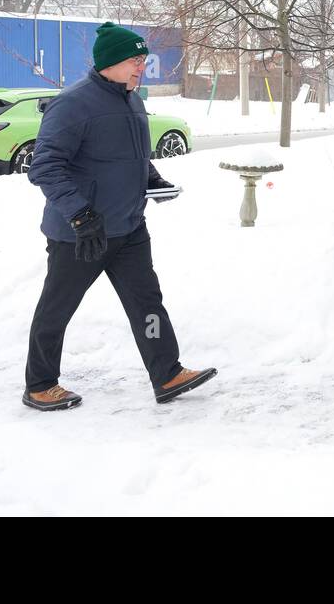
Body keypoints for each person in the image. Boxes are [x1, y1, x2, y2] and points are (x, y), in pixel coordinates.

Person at [22, 21, 216, 411]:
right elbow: (44, 167)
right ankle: (40, 384)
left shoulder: (132, 99)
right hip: (81, 233)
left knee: (147, 301)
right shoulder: (73, 103)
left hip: (128, 226)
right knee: (57, 307)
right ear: (108, 63)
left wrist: (153, 179)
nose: (141, 67)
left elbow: (133, 155)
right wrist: (80, 214)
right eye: (134, 60)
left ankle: (167, 373)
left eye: (143, 59)